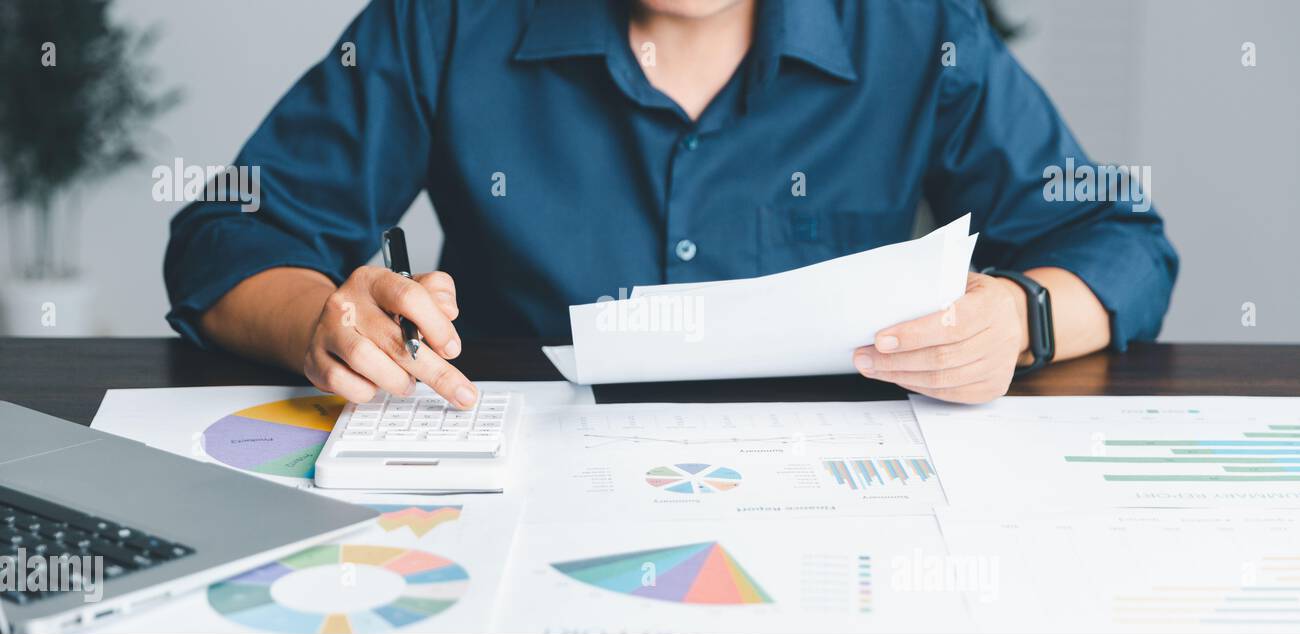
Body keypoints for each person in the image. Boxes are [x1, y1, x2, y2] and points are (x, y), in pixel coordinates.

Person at [164, 0, 1177, 407]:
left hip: (832, 512)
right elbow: (232, 234)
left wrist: (1020, 315)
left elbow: (1112, 239)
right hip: (521, 473)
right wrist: (322, 321)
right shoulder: (447, 15)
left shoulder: (909, 24)